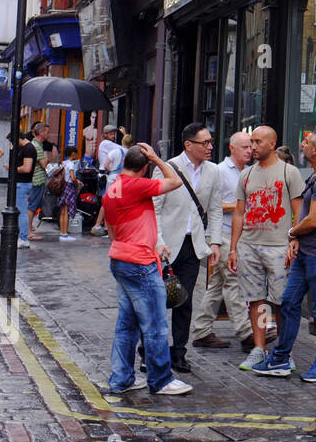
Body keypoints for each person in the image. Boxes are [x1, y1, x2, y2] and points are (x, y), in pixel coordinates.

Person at [253, 128, 316, 381]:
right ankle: (280, 359)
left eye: (306, 142)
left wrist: (291, 233)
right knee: (289, 302)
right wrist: (296, 239)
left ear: (315, 150)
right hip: (306, 254)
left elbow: (313, 220)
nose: (302, 145)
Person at [103, 142, 192, 396]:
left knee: (126, 324)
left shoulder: (112, 189)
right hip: (140, 265)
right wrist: (156, 158)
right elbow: (175, 181)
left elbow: (112, 231)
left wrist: (151, 246)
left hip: (121, 258)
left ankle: (122, 379)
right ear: (144, 168)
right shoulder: (138, 186)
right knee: (155, 324)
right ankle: (161, 380)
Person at [226, 125, 305, 371]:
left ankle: (283, 350)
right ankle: (259, 349)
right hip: (249, 246)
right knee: (255, 300)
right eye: (250, 143)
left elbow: (298, 211)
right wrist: (233, 248)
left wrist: (295, 239)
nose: (253, 147)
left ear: (272, 144)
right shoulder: (246, 175)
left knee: (282, 301)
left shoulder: (289, 172)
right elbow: (239, 213)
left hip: (279, 246)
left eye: (257, 142)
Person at [151, 122, 224, 375]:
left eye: (211, 142)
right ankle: (152, 351)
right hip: (166, 247)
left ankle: (178, 352)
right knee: (159, 300)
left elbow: (214, 208)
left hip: (193, 246)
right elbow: (155, 207)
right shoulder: (168, 167)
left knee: (184, 301)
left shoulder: (213, 171)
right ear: (188, 145)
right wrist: (158, 240)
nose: (210, 147)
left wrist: (215, 242)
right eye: (205, 143)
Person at [193, 131, 255, 350]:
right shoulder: (218, 171)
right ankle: (247, 333)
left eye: (251, 146)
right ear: (232, 148)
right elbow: (212, 204)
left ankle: (201, 331)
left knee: (217, 284)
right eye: (246, 147)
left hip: (241, 235)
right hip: (221, 234)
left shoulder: (250, 172)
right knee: (233, 280)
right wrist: (240, 206)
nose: (250, 150)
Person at [90, 124, 124, 236]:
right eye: (111, 134)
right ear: (105, 135)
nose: (113, 135)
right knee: (108, 202)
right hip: (108, 175)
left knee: (109, 202)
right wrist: (125, 135)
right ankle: (99, 225)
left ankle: (104, 226)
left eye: (114, 133)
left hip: (107, 175)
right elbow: (124, 148)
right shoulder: (106, 143)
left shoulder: (106, 144)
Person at [13, 129, 40, 247]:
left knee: (22, 212)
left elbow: (27, 168)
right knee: (20, 211)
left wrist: (13, 169)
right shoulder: (24, 148)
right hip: (22, 183)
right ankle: (21, 236)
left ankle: (23, 238)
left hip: (23, 184)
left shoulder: (28, 149)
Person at [57, 146, 80, 240]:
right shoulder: (71, 164)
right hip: (69, 187)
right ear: (73, 154)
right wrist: (77, 182)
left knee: (63, 211)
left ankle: (62, 233)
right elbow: (73, 178)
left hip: (63, 187)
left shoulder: (64, 163)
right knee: (66, 211)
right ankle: (65, 234)